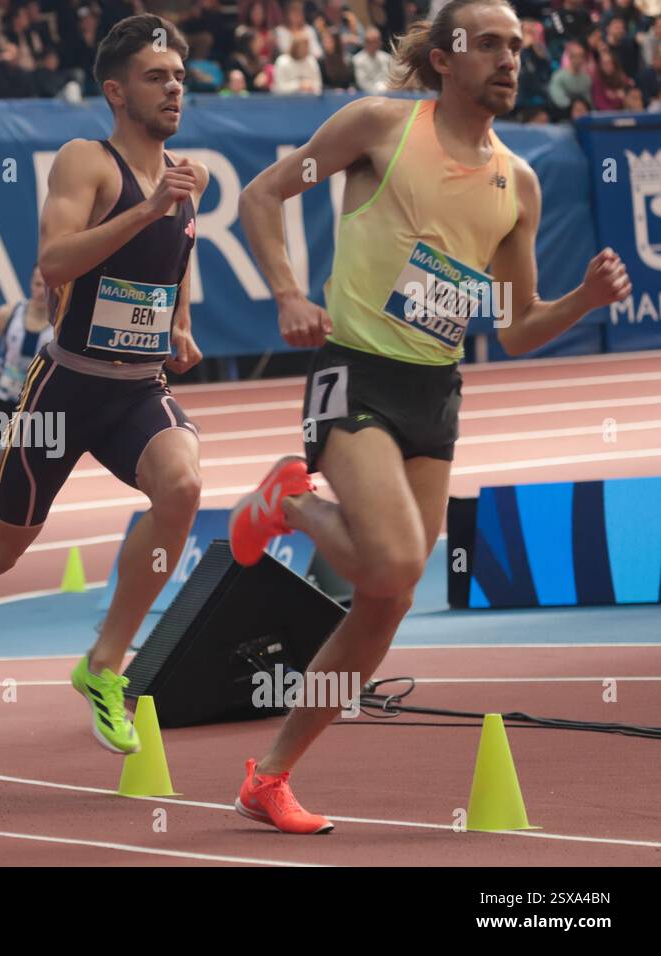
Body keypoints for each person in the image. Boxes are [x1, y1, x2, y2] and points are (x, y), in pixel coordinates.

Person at [231, 0, 632, 834]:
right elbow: (264, 195)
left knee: (390, 597)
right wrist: (288, 292)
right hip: (356, 373)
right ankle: (292, 502)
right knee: (393, 558)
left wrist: (583, 301)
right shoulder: (379, 127)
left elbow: (518, 330)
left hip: (436, 391)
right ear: (445, 58)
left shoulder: (516, 182)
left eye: (517, 46)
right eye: (489, 44)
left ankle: (269, 778)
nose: (510, 59)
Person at [0, 14, 206, 755]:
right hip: (62, 392)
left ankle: (105, 664)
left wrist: (183, 324)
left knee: (184, 490)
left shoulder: (183, 178)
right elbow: (58, 261)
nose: (174, 89)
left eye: (181, 78)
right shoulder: (86, 160)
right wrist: (149, 205)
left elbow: (175, 259)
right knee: (0, 548)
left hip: (137, 387)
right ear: (115, 90)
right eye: (157, 76)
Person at [0, 265, 53, 482]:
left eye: (46, 286)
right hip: (5, 401)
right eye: (37, 284)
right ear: (30, 283)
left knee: (26, 471)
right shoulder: (8, 314)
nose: (40, 291)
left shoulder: (60, 324)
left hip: (39, 407)